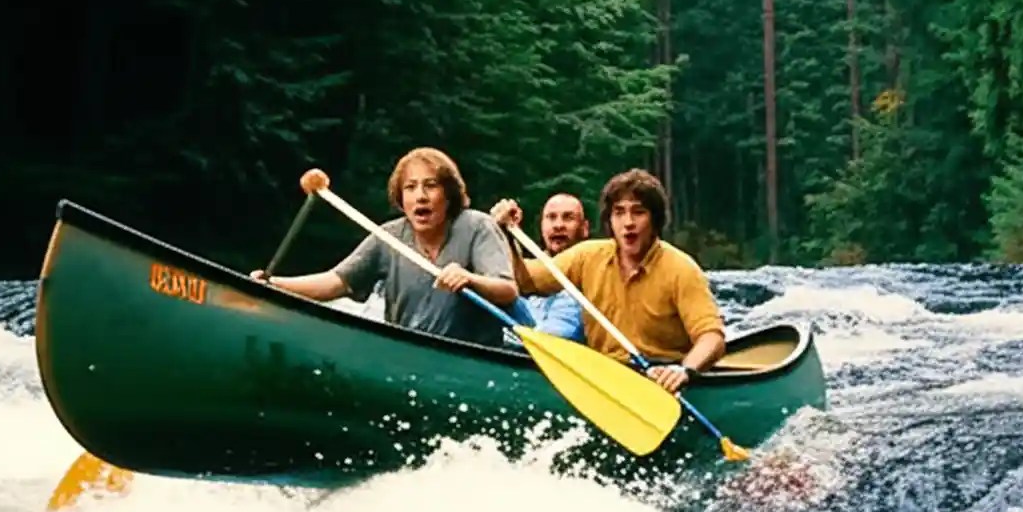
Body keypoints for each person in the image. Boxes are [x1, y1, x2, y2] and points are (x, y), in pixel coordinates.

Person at [250, 147, 521, 348]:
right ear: (401, 198)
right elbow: (335, 283)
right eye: (411, 187)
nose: (421, 196)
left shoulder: (477, 226)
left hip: (469, 356)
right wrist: (273, 284)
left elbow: (507, 291)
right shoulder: (388, 236)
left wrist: (470, 279)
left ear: (448, 194)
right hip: (407, 352)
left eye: (431, 186)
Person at [491, 168, 726, 393]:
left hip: (661, 378)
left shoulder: (681, 269)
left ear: (655, 220)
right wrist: (506, 235)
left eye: (639, 212)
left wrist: (684, 370)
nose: (628, 223)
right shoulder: (587, 256)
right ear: (609, 220)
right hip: (606, 377)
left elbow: (711, 337)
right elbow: (526, 282)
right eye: (619, 212)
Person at [508, 193, 589, 342]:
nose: (558, 225)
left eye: (568, 217)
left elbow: (549, 340)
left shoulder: (589, 278)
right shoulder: (533, 277)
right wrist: (509, 232)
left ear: (584, 228)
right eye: (551, 217)